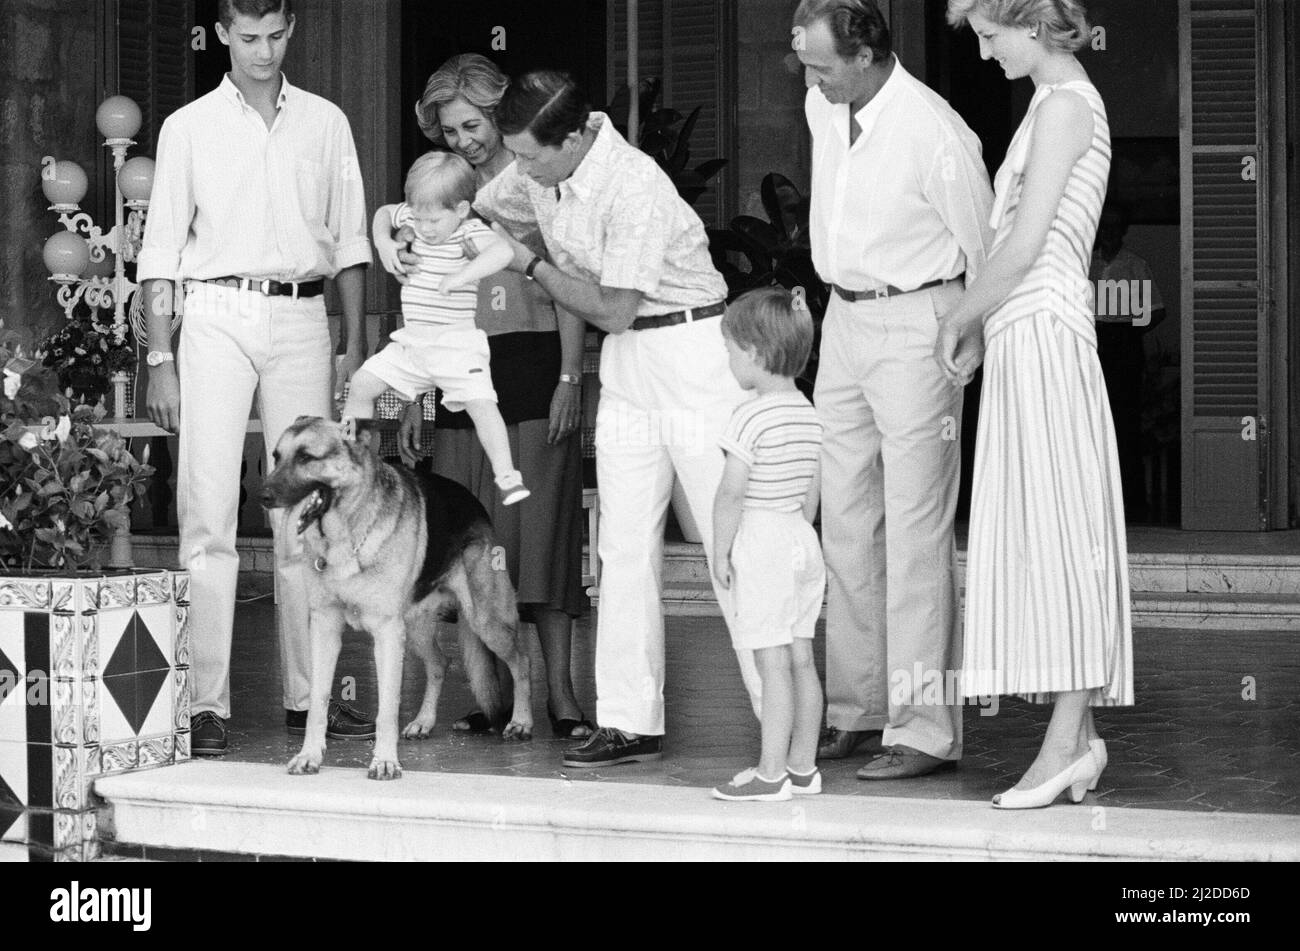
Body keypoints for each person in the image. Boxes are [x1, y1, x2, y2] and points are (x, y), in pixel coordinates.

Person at [471, 69, 760, 768]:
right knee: (623, 544)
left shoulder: (635, 184)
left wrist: (530, 261)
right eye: (517, 155)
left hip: (691, 349)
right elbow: (481, 205)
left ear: (574, 139)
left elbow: (613, 307)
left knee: (734, 543)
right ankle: (630, 718)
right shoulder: (536, 164)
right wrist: (405, 219)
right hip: (630, 360)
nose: (523, 170)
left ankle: (780, 708)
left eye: (533, 156)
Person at [138, 0, 375, 755]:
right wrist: (160, 357)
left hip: (304, 317)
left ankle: (310, 696)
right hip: (212, 312)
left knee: (306, 513)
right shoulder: (187, 127)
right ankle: (207, 702)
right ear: (220, 35)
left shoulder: (326, 122)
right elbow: (161, 255)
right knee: (206, 510)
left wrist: (354, 347)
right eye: (248, 38)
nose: (263, 51)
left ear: (291, 30)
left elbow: (351, 241)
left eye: (275, 36)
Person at [937, 0, 1132, 807]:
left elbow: (1025, 245)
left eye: (990, 35)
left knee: (1063, 527)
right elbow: (1012, 245)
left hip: (1047, 329)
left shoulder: (1065, 109)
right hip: (1027, 330)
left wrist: (959, 312)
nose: (984, 55)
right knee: (1040, 530)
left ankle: (1064, 742)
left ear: (1030, 22)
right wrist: (983, 324)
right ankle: (1077, 741)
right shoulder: (1049, 110)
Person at [793, 0, 994, 778]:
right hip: (844, 317)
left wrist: (969, 336)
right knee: (843, 518)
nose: (808, 79)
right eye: (805, 62)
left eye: (821, 64)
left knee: (916, 530)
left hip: (920, 318)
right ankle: (856, 705)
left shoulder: (934, 130)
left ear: (869, 52)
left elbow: (984, 243)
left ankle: (922, 727)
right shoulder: (825, 104)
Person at [393, 53, 591, 738]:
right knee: (470, 550)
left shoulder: (535, 178)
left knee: (538, 544)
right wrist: (414, 402)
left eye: (473, 125)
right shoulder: (435, 193)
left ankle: (562, 697)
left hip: (535, 369)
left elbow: (569, 285)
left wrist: (572, 376)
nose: (464, 141)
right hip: (456, 379)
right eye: (449, 132)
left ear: (498, 110)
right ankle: (491, 700)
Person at [350, 150, 528, 505]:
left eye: (433, 221)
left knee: (482, 404)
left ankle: (506, 474)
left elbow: (503, 254)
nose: (424, 228)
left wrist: (463, 273)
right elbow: (384, 214)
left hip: (456, 345)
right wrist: (384, 242)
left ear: (461, 210)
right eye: (418, 218)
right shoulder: (416, 216)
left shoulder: (469, 232)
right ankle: (357, 461)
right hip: (412, 343)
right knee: (361, 385)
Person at [710, 288, 825, 803]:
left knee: (771, 661)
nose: (729, 361)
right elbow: (812, 491)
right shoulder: (809, 411)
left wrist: (720, 548)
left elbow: (731, 491)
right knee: (802, 657)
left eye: (732, 351)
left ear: (755, 355)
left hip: (763, 540)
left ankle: (770, 773)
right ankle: (803, 768)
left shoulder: (749, 416)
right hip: (802, 538)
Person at [1090, 204, 1166, 522]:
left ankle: (1130, 502)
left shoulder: (1134, 264)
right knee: (1088, 420)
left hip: (1122, 346)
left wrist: (1125, 330)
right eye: (1103, 227)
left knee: (1125, 421)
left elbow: (1157, 310)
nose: (1108, 233)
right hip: (1089, 342)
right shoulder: (1084, 263)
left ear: (1122, 231)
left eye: (1113, 227)